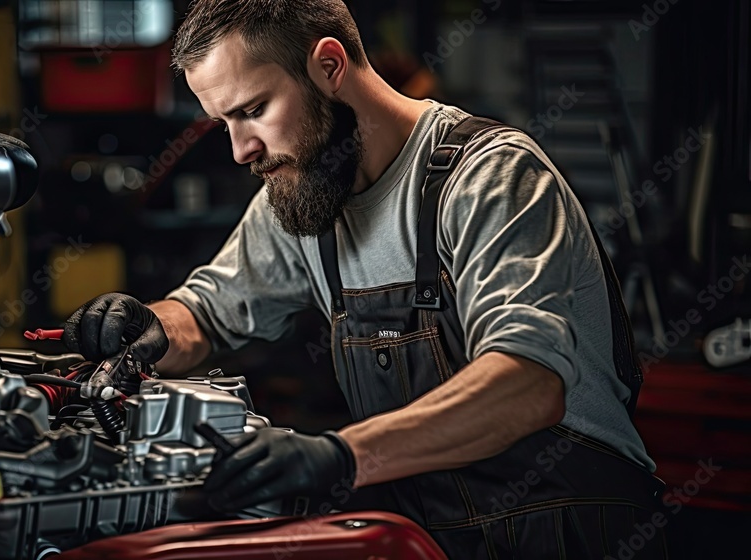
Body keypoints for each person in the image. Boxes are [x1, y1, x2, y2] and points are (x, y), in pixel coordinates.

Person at [63, 0, 668, 556]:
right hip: (425, 535)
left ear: (329, 65)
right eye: (225, 122)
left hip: (572, 532)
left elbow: (529, 383)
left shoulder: (490, 178)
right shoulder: (300, 197)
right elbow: (208, 310)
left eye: (252, 110)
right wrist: (150, 325)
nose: (240, 150)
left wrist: (341, 455)